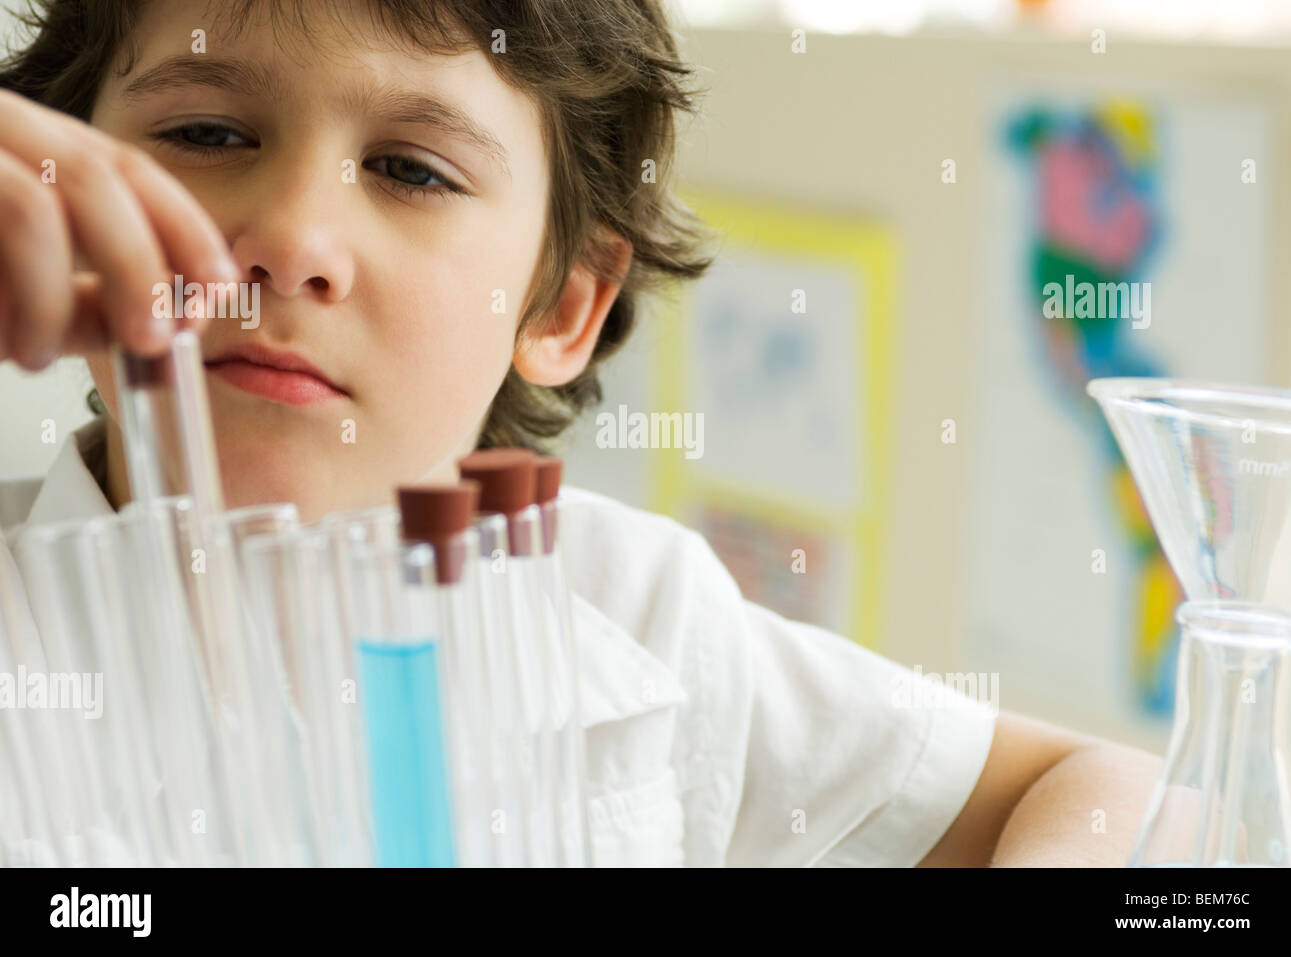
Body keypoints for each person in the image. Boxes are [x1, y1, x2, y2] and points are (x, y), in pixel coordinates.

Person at [0, 0, 1159, 866]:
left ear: (562, 307)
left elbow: (1112, 791)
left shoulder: (630, 609)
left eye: (411, 168)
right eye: (207, 132)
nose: (294, 235)